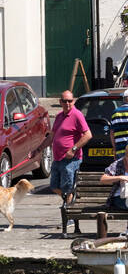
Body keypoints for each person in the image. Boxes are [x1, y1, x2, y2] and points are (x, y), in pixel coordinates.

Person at [50, 91, 92, 236]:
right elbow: (52, 135)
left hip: (71, 159)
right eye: (64, 101)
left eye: (70, 101)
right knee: (54, 186)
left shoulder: (77, 115)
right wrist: (37, 150)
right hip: (58, 158)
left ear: (73, 101)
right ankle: (70, 205)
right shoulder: (59, 116)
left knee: (68, 187)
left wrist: (74, 149)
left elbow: (88, 134)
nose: (67, 103)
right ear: (60, 102)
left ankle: (70, 217)